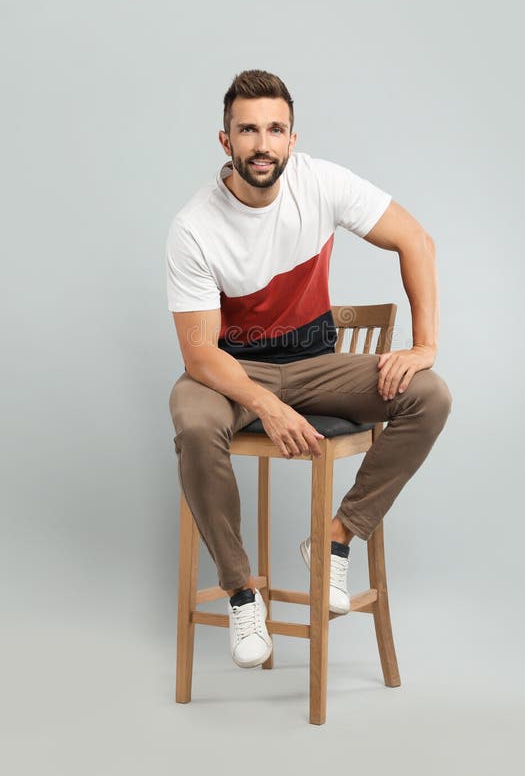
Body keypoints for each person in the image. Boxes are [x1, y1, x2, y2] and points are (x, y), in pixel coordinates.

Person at [166, 69, 452, 669]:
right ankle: (241, 592)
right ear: (225, 140)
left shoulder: (321, 183)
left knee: (430, 395)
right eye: (248, 130)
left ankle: (334, 541)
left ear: (292, 139)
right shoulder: (194, 226)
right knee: (193, 421)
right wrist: (268, 406)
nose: (262, 144)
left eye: (275, 129)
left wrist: (424, 346)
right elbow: (199, 354)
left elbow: (417, 241)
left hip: (318, 365)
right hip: (235, 373)